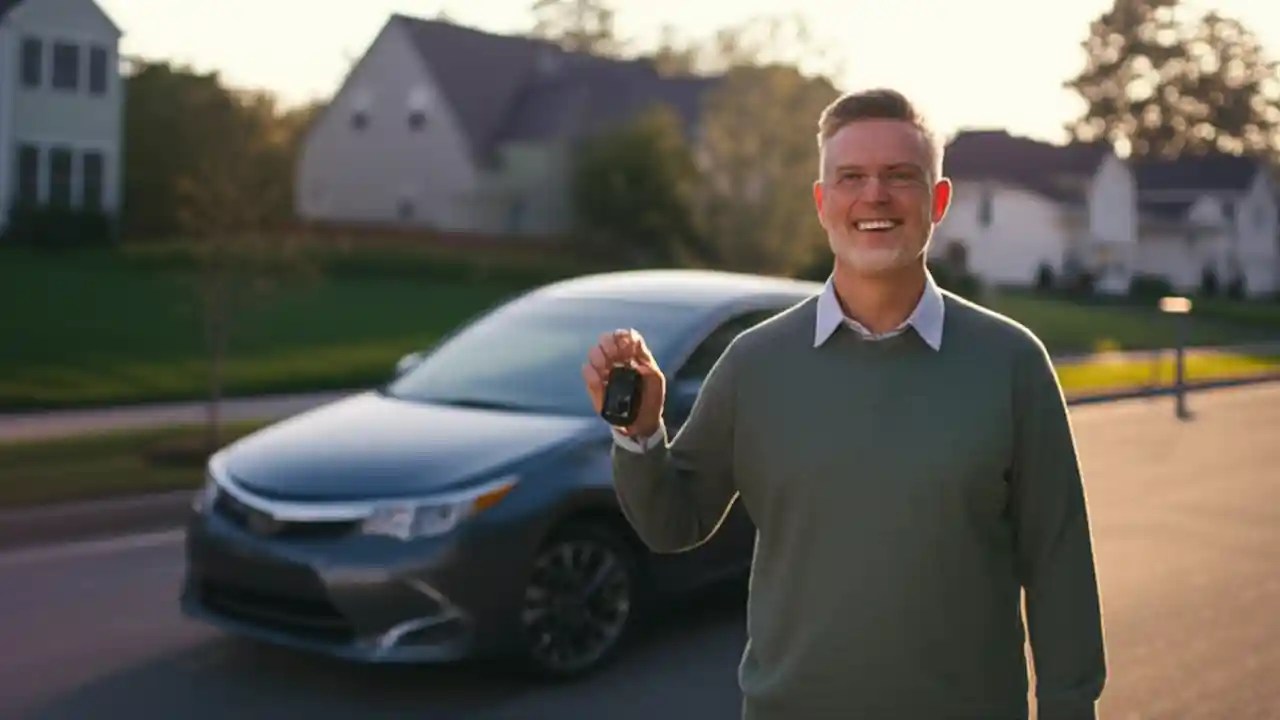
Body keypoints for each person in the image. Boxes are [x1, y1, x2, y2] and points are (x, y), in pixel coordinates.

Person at [581, 88, 1107, 719]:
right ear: (822, 202)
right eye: (851, 177)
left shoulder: (1012, 363)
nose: (874, 196)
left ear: (937, 201)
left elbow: (1059, 567)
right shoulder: (755, 364)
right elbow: (673, 524)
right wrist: (640, 435)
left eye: (900, 177)